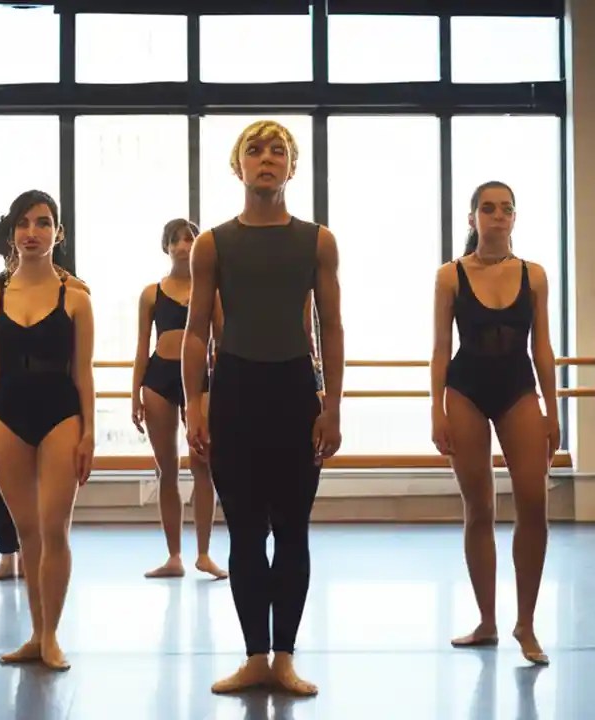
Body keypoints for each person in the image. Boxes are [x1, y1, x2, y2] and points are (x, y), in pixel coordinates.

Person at [182, 120, 343, 696]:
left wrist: (334, 406)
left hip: (295, 392)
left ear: (293, 168)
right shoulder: (213, 243)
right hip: (235, 393)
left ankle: (285, 658)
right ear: (238, 166)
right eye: (256, 150)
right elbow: (196, 330)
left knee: (293, 531)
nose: (267, 159)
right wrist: (194, 403)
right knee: (246, 534)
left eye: (279, 151)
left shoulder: (317, 240)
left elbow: (332, 325)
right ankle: (254, 657)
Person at [430, 180, 557, 666]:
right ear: (473, 219)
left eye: (506, 209)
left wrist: (552, 409)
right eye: (488, 208)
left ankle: (525, 623)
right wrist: (436, 407)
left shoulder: (535, 275)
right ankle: (487, 621)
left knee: (533, 502)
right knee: (479, 507)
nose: (497, 216)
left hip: (518, 389)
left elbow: (542, 348)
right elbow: (441, 349)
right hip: (465, 390)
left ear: (514, 218)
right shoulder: (449, 276)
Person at [0, 189, 95, 672]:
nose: (32, 232)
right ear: (12, 233)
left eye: (43, 223)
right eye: (24, 223)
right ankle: (34, 634)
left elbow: (83, 372)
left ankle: (50, 636)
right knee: (27, 532)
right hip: (7, 414)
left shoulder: (78, 299)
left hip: (61, 413)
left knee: (53, 528)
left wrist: (88, 433)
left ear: (57, 234)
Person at [0, 245, 88, 582]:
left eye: (41, 225)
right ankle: (9, 555)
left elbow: (80, 365)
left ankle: (46, 627)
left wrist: (88, 429)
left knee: (52, 521)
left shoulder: (73, 291)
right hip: (6, 404)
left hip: (57, 406)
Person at [132, 218, 226, 580]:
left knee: (203, 465)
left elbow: (220, 344)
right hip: (158, 379)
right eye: (176, 240)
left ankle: (203, 553)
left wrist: (220, 390)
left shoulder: (210, 292)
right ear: (166, 247)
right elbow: (142, 346)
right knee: (166, 469)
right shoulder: (151, 294)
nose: (183, 245)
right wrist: (134, 393)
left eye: (189, 239)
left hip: (200, 381)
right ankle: (174, 555)